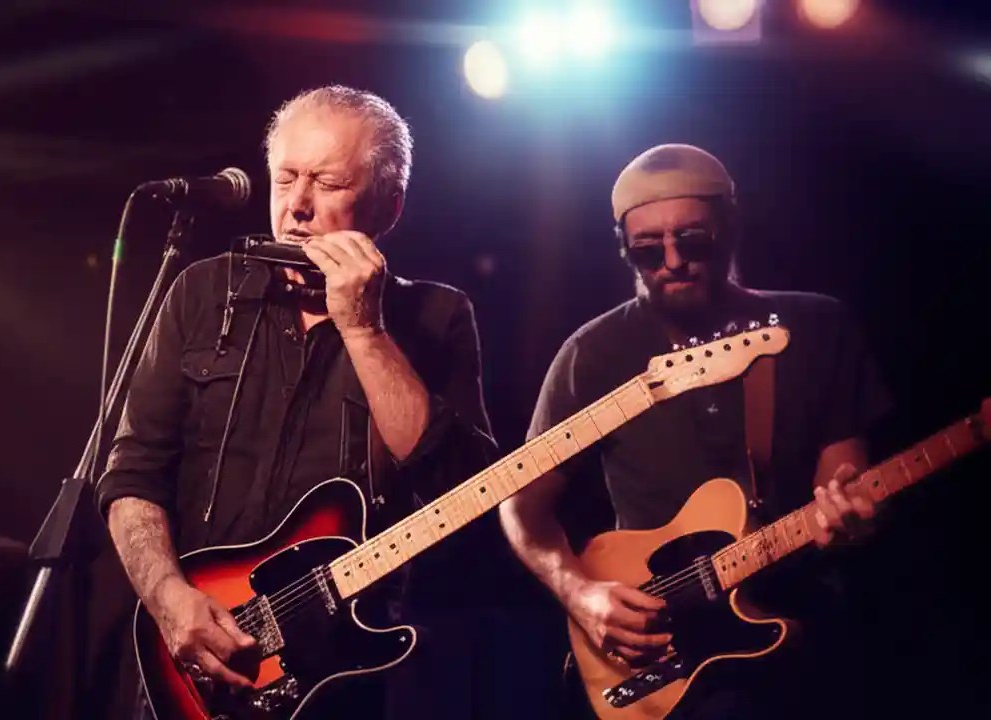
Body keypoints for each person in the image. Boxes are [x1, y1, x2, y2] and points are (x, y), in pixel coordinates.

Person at [96, 85, 497, 719]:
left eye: (329, 183)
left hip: (336, 677)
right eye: (286, 179)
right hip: (184, 665)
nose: (298, 207)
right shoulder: (200, 294)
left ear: (388, 206)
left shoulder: (434, 317)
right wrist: (169, 596)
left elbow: (461, 488)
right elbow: (131, 474)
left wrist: (364, 328)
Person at [498, 144, 892, 719]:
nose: (674, 260)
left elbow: (844, 476)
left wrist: (851, 516)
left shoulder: (815, 325)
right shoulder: (592, 353)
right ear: (623, 250)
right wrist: (581, 594)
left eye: (694, 239)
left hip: (807, 626)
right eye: (647, 249)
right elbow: (521, 506)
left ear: (731, 228)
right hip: (669, 652)